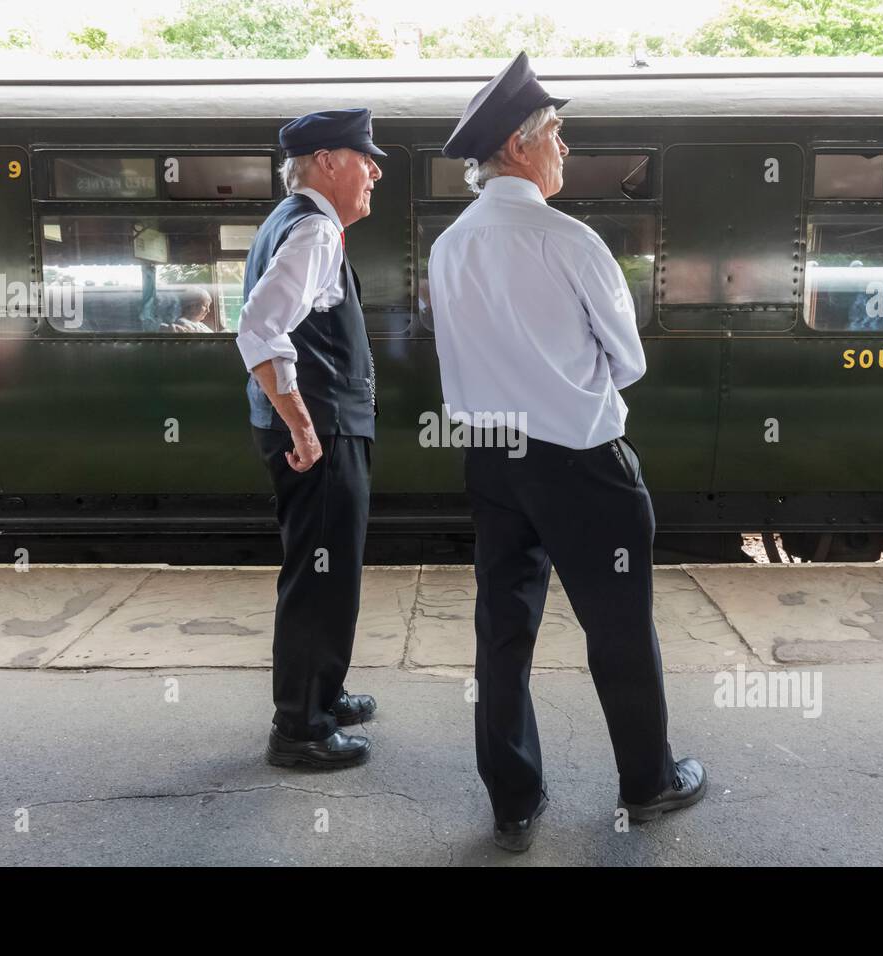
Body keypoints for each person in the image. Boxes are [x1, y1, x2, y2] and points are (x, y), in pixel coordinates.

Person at [428, 52, 707, 852]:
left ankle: (513, 801)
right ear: (519, 146)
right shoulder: (569, 239)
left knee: (502, 631)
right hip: (583, 463)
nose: (564, 150)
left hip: (490, 456)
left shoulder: (451, 247)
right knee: (618, 626)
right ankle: (646, 783)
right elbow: (630, 361)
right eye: (557, 135)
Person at [235, 108, 384, 769]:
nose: (375, 169)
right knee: (321, 576)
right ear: (327, 161)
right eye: (363, 156)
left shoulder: (290, 220)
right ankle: (300, 727)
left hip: (317, 427)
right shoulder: (317, 229)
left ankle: (323, 692)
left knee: (324, 570)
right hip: (319, 433)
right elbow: (260, 327)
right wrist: (302, 422)